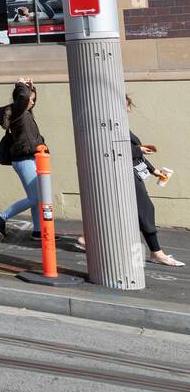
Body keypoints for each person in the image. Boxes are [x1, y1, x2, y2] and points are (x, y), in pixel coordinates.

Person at [78, 96, 183, 267]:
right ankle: (157, 252)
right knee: (145, 209)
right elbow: (110, 148)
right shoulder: (108, 126)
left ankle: (88, 238)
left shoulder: (121, 125)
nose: (128, 110)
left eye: (128, 106)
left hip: (132, 173)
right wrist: (138, 149)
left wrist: (153, 170)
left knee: (120, 211)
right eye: (126, 106)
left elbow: (136, 154)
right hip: (123, 174)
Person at [0, 78, 45, 240]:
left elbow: (26, 97)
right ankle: (2, 216)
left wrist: (30, 87)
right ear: (20, 99)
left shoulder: (26, 113)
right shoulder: (17, 111)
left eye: (34, 100)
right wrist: (20, 85)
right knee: (35, 198)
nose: (31, 103)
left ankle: (37, 231)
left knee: (37, 198)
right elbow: (22, 98)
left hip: (32, 157)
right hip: (23, 159)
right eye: (29, 99)